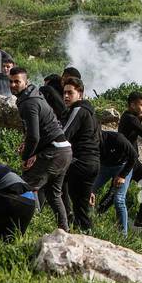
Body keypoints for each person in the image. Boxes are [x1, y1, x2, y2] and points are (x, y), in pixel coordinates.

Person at [9, 66, 73, 230]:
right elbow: (35, 132)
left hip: (55, 150)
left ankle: (29, 226)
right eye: (11, 81)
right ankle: (64, 230)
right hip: (64, 149)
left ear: (26, 82)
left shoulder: (29, 103)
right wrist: (30, 147)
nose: (13, 85)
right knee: (54, 194)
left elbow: (34, 136)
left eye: (17, 81)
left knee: (26, 184)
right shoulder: (33, 96)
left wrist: (26, 157)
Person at [100, 91, 142, 228]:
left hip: (133, 161)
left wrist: (140, 119)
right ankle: (98, 212)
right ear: (132, 105)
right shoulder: (130, 119)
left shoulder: (131, 117)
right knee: (115, 190)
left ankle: (140, 217)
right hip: (126, 162)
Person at [60, 77, 100, 232]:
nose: (66, 96)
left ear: (80, 94)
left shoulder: (78, 109)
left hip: (81, 161)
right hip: (93, 163)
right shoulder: (91, 113)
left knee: (52, 178)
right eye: (64, 93)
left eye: (70, 92)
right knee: (81, 206)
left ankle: (64, 220)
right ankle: (85, 232)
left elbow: (63, 135)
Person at [91, 128, 139, 236]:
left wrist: (122, 176)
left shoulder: (117, 138)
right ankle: (87, 224)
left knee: (119, 199)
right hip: (104, 167)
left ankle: (123, 235)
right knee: (87, 193)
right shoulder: (89, 145)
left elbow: (134, 156)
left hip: (122, 166)